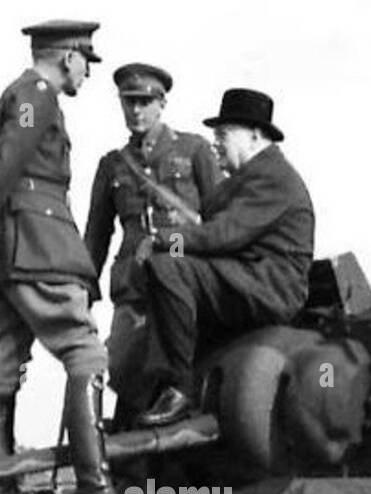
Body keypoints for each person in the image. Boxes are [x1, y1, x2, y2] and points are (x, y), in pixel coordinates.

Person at [0, 20, 119, 494]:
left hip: (11, 253)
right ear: (67, 55)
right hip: (38, 246)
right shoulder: (36, 97)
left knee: (2, 365)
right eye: (85, 62)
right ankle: (96, 491)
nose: (87, 73)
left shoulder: (22, 95)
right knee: (86, 353)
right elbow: (3, 164)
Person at [135, 88, 315, 428]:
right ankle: (170, 382)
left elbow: (223, 235)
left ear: (254, 136)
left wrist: (164, 241)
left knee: (169, 266)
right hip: (245, 276)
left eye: (222, 134)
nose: (215, 143)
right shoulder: (249, 178)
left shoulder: (273, 177)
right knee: (169, 268)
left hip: (269, 287)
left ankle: (180, 387)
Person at [83, 64, 222, 429]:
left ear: (162, 103)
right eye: (129, 102)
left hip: (183, 276)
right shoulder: (112, 165)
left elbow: (220, 219)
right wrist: (82, 289)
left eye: (144, 102)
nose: (136, 111)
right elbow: (96, 236)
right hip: (134, 285)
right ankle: (137, 474)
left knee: (189, 368)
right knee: (128, 371)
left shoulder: (194, 151)